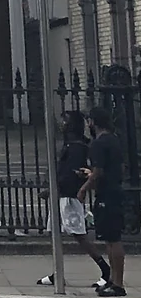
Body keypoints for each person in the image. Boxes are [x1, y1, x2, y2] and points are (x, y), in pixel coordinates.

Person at [37, 110, 111, 288]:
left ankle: (105, 269)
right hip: (61, 195)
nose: (62, 124)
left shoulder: (77, 146)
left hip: (69, 196)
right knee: (54, 233)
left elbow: (70, 174)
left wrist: (52, 189)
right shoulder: (71, 144)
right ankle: (57, 272)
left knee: (79, 235)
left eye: (66, 121)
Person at [81, 104, 127, 297]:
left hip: (107, 194)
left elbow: (98, 171)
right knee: (109, 238)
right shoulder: (114, 140)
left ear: (94, 122)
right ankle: (113, 280)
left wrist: (84, 187)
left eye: (89, 121)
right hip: (114, 190)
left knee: (113, 239)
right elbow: (119, 167)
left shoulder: (99, 143)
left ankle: (118, 283)